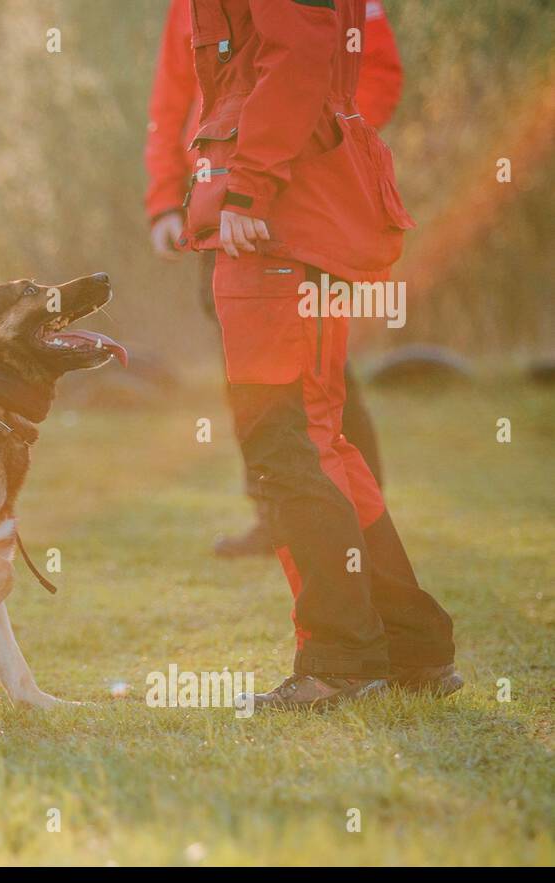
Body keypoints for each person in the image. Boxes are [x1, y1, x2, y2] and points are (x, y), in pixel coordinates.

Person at [179, 0, 460, 709]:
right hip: (291, 216)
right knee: (317, 438)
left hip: (276, 222)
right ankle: (410, 648)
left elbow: (297, 57)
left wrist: (250, 183)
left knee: (286, 443)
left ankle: (338, 659)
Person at [145, 0, 401, 557]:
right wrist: (166, 198)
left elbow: (364, 74)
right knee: (249, 376)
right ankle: (277, 512)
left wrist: (320, 149)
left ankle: (355, 520)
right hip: (224, 203)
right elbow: (173, 95)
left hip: (296, 196)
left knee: (320, 377)